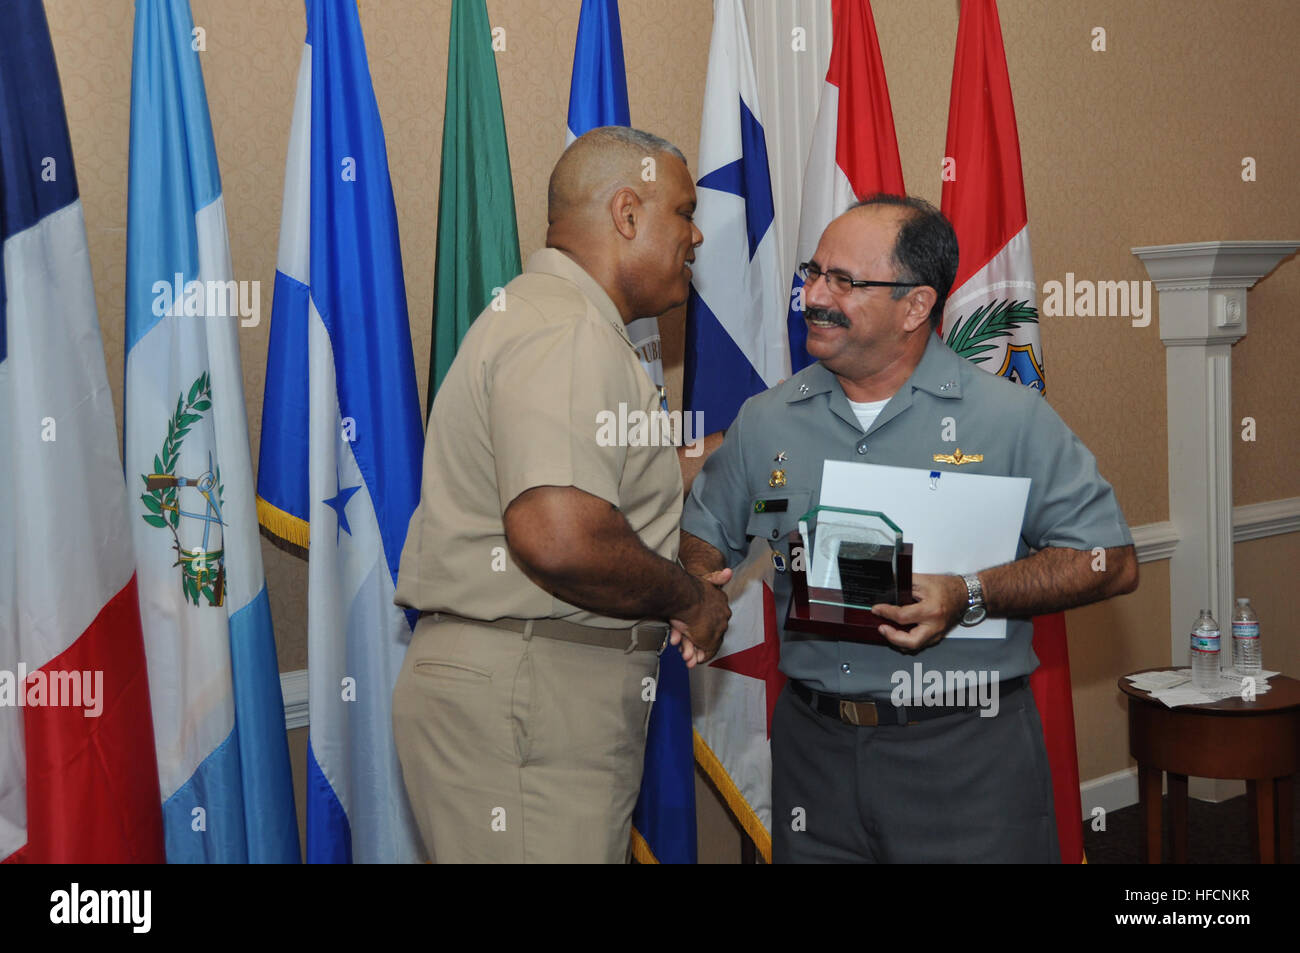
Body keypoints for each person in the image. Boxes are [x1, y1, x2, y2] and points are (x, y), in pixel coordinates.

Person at [677, 194, 1139, 863]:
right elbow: (705, 534)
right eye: (813, 272)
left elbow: (1111, 560)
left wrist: (969, 593)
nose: (813, 295)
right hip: (815, 754)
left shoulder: (1009, 420)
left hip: (965, 755)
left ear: (916, 306)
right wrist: (700, 589)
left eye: (845, 281)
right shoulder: (767, 419)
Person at [391, 126, 730, 863]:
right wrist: (690, 596)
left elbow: (602, 488)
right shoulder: (567, 333)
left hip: (528, 685)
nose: (696, 234)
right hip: (532, 692)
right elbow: (562, 535)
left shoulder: (555, 320)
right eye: (684, 210)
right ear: (628, 215)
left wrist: (730, 447)